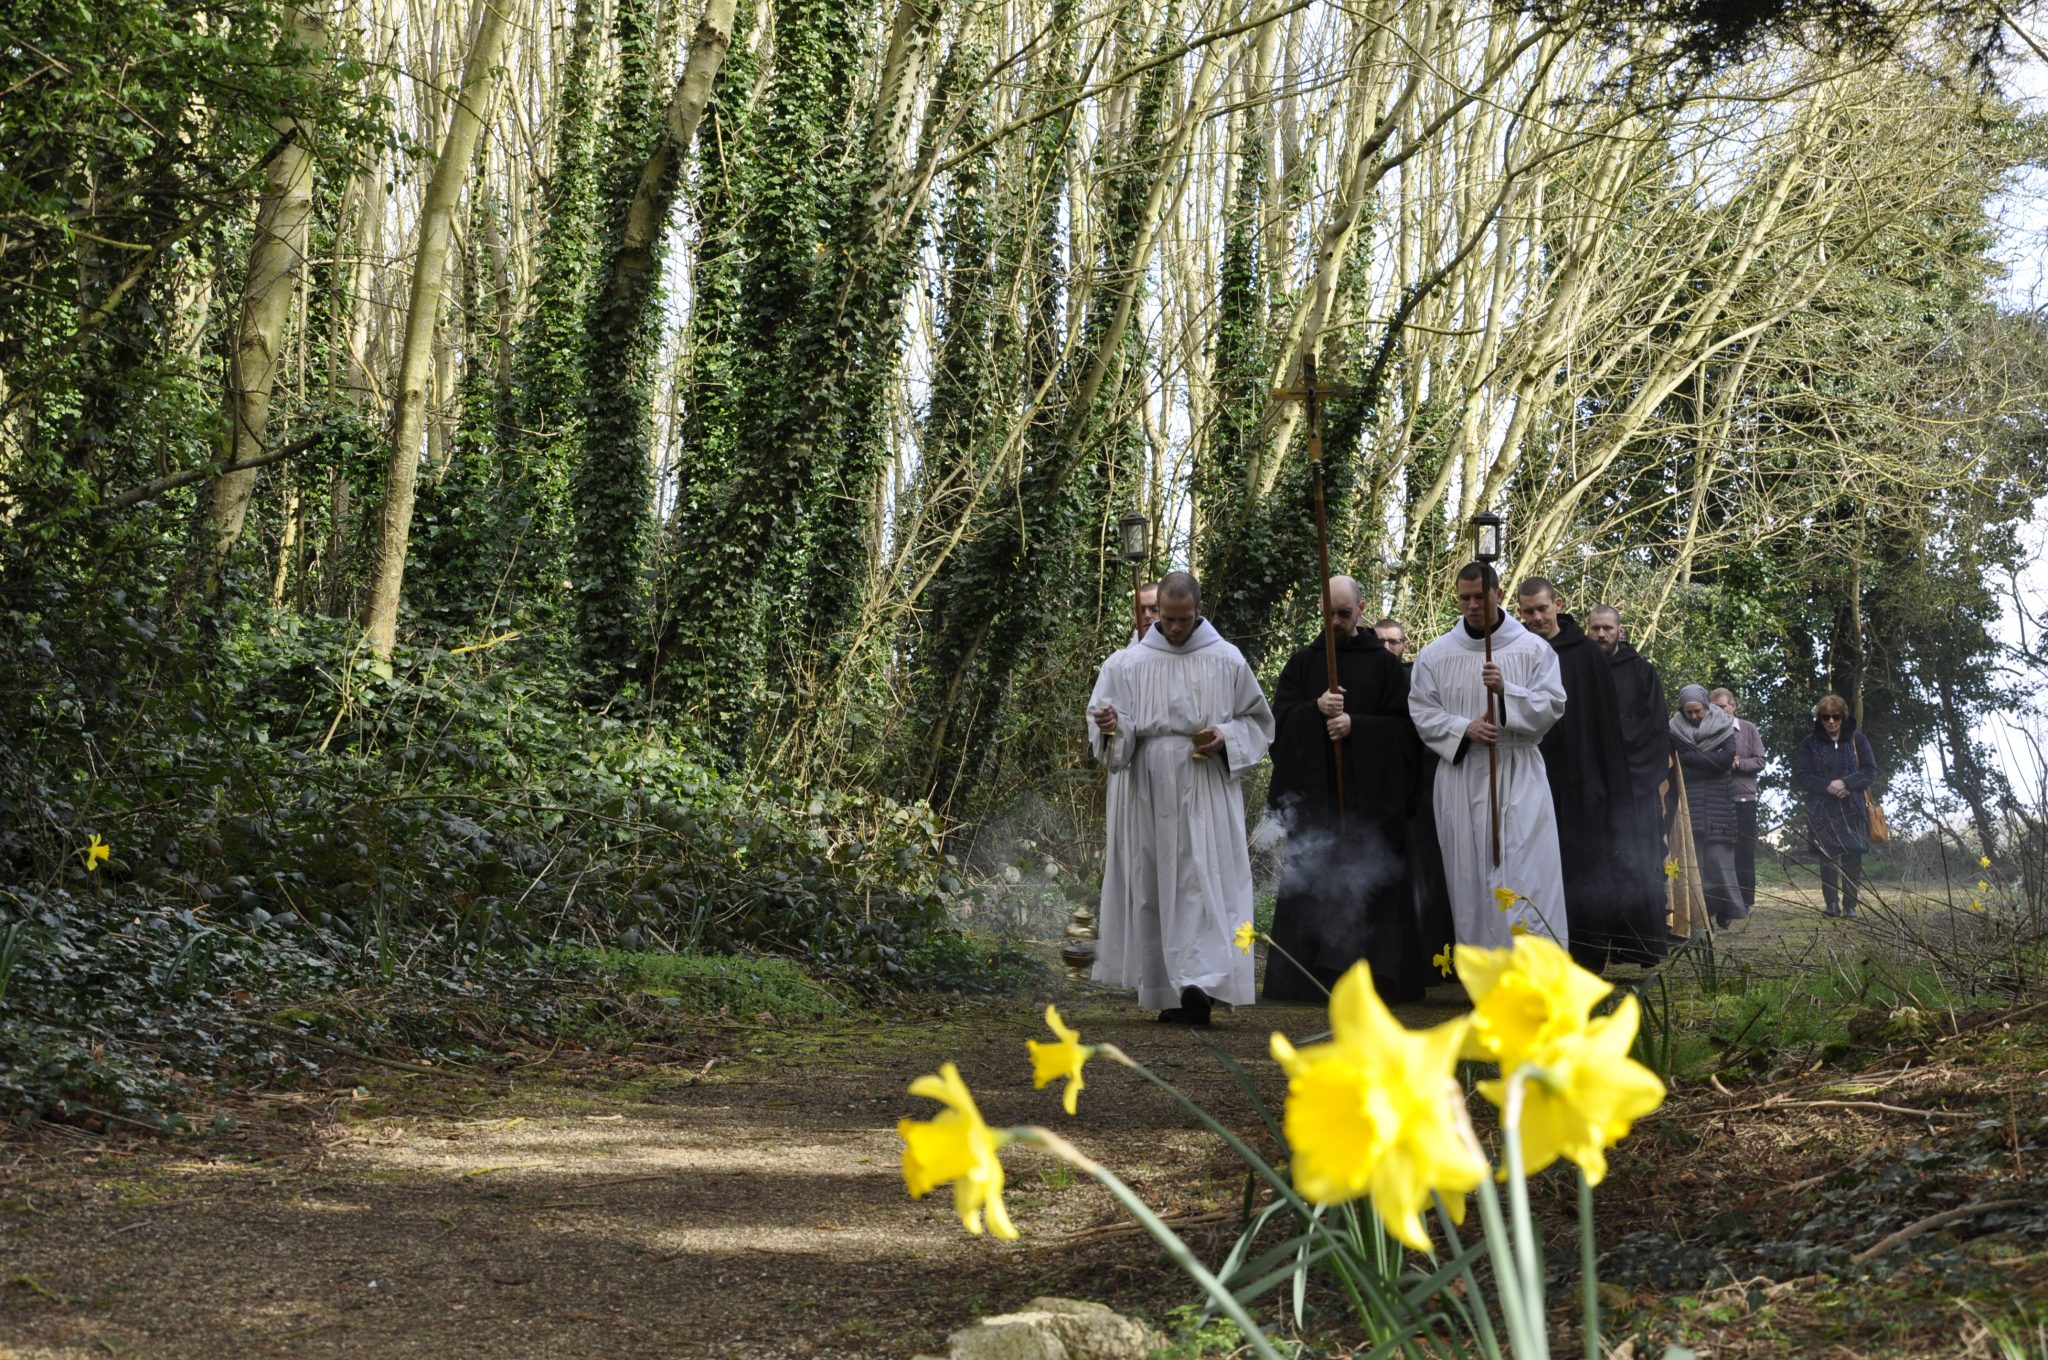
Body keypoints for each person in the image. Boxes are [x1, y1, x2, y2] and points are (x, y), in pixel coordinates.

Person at [1088, 571, 1275, 1023]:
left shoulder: (1227, 659)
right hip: (1149, 785)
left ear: (1198, 610)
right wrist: (1113, 726)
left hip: (1205, 783)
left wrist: (1225, 737)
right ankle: (1166, 989)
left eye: (1182, 619)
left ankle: (1202, 986)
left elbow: (1259, 723)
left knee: (1203, 881)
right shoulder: (1127, 663)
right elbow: (1109, 729)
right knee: (1154, 884)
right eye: (1166, 619)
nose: (1172, 628)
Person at [1264, 576, 1427, 1003]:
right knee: (1317, 881)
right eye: (1328, 613)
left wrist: (1358, 727)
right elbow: (1277, 728)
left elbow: (1407, 734)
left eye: (1344, 613)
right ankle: (1308, 977)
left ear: (1361, 609)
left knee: (1371, 884)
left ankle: (1374, 979)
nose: (1335, 622)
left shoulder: (1385, 666)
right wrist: (1313, 712)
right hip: (1319, 803)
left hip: (1371, 808)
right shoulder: (1302, 664)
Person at [1409, 562, 1568, 948]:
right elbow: (1422, 710)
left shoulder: (1533, 649)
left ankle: (1533, 971)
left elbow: (1552, 705)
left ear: (1497, 594)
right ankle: (1485, 974)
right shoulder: (1435, 655)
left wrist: (1506, 690)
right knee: (1469, 879)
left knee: (1524, 872)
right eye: (1465, 598)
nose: (1473, 605)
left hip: (1517, 772)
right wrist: (1464, 729)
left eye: (1480, 596)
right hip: (1461, 776)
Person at [1515, 580, 1666, 969]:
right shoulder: (1519, 649)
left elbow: (1605, 728)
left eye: (1542, 609)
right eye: (1528, 611)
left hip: (1585, 780)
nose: (1536, 618)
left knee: (1585, 865)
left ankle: (1588, 952)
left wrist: (1609, 785)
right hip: (1536, 777)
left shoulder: (1586, 655)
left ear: (1556, 606)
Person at [1587, 605, 1672, 934]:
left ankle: (1640, 940)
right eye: (1595, 628)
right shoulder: (1579, 670)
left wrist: (1629, 776)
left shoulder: (1642, 672)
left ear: (1621, 631)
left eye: (1607, 628)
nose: (1601, 635)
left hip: (1634, 789)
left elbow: (1655, 729)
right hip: (1592, 788)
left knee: (1637, 861)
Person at [1793, 694, 1877, 919]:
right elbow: (1802, 776)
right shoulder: (1809, 743)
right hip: (1822, 809)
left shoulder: (1858, 740)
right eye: (1826, 717)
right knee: (1827, 858)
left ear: (1843, 716)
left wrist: (1847, 783)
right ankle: (1831, 904)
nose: (1831, 721)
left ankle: (1850, 905)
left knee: (1853, 857)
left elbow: (1870, 771)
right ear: (1820, 719)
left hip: (1853, 809)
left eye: (1836, 716)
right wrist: (1827, 786)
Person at [1669, 684, 1744, 929]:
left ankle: (1726, 911)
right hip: (1688, 802)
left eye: (1698, 711)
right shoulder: (1673, 730)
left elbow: (1725, 762)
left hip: (1718, 806)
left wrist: (1692, 759)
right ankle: (1699, 918)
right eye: (1688, 712)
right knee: (1695, 867)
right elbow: (1677, 765)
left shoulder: (1723, 725)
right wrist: (1709, 762)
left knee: (1720, 864)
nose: (1693, 717)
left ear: (1706, 706)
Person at [1711, 687, 1765, 912]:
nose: (1720, 712)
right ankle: (1723, 902)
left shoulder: (1748, 729)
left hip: (1744, 800)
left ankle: (1746, 901)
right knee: (1719, 852)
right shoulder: (1708, 731)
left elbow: (1761, 761)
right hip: (1717, 800)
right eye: (1714, 708)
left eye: (1723, 707)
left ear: (1733, 706)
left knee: (1744, 851)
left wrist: (1738, 763)